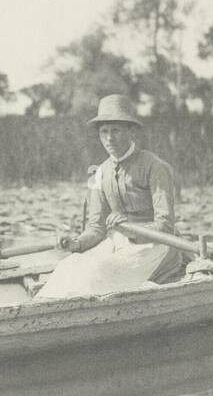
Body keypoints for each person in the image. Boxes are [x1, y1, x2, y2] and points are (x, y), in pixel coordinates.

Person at [40, 94, 187, 299]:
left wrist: (130, 230)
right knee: (67, 267)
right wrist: (77, 243)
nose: (109, 138)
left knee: (97, 273)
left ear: (131, 131)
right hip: (116, 243)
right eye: (104, 132)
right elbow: (96, 228)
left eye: (116, 130)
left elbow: (165, 225)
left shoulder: (155, 166)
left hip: (154, 246)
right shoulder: (98, 172)